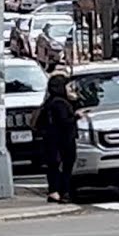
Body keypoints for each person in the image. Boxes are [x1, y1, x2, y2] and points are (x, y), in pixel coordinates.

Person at [33, 74, 77, 203]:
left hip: (50, 140)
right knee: (66, 166)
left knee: (53, 166)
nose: (70, 89)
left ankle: (54, 191)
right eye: (68, 86)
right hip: (63, 140)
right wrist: (76, 117)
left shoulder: (49, 102)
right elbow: (65, 122)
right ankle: (63, 192)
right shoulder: (61, 103)